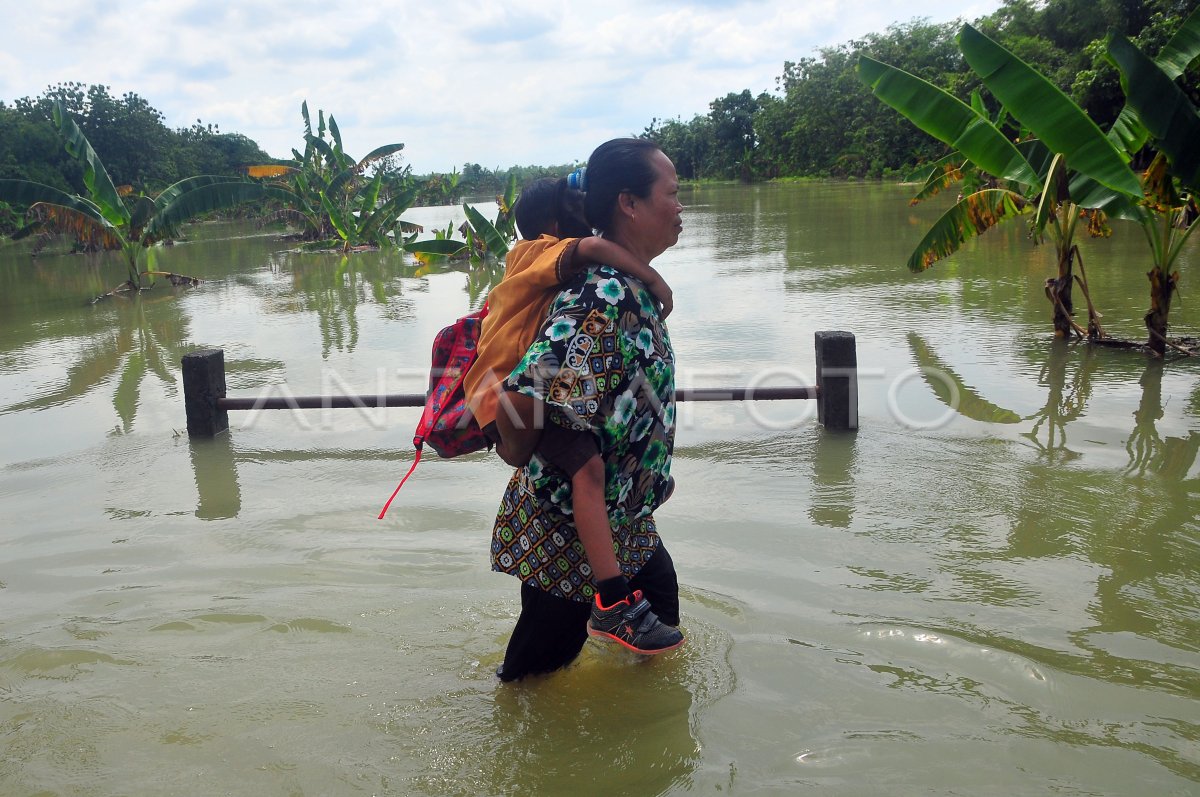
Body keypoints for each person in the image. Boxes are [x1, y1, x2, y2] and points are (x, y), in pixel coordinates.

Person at [491, 138, 686, 681]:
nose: (680, 206)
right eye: (671, 193)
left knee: (660, 644)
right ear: (629, 203)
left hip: (627, 519)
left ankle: (644, 742)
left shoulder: (633, 289)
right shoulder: (604, 300)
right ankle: (525, 753)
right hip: (571, 535)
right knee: (535, 671)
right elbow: (533, 389)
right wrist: (565, 458)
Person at [463, 175, 672, 463]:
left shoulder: (524, 256)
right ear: (555, 226)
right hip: (498, 394)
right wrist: (654, 279)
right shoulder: (544, 249)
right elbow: (593, 247)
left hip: (486, 390)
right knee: (585, 469)